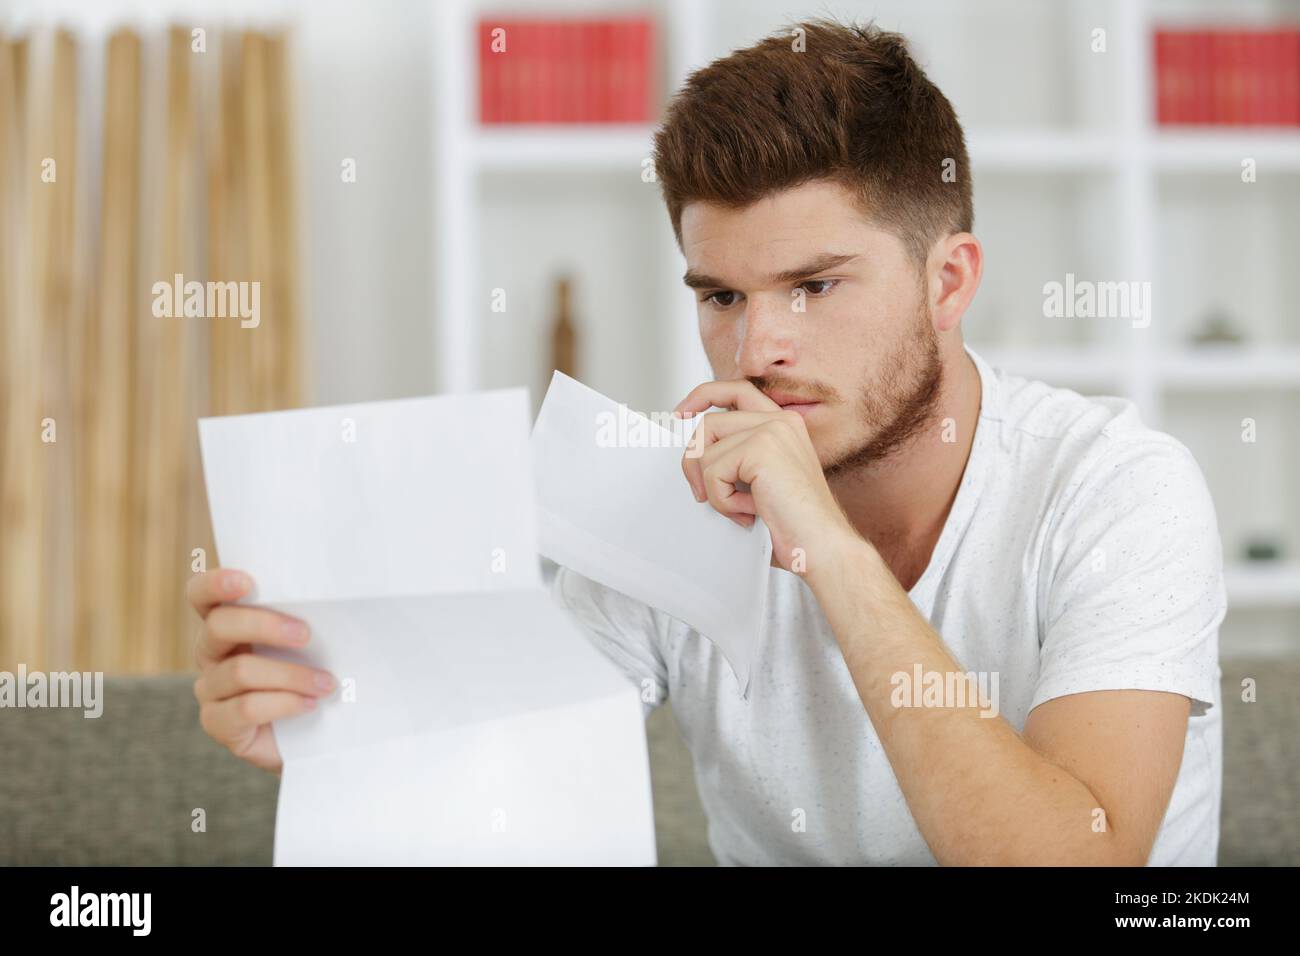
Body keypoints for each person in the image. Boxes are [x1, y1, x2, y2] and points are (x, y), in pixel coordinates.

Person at [191, 18, 1225, 865]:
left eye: (814, 286)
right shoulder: (676, 493)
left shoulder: (1115, 491)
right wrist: (333, 722)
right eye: (722, 295)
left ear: (946, 280)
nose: (758, 346)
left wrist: (828, 551)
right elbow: (495, 755)